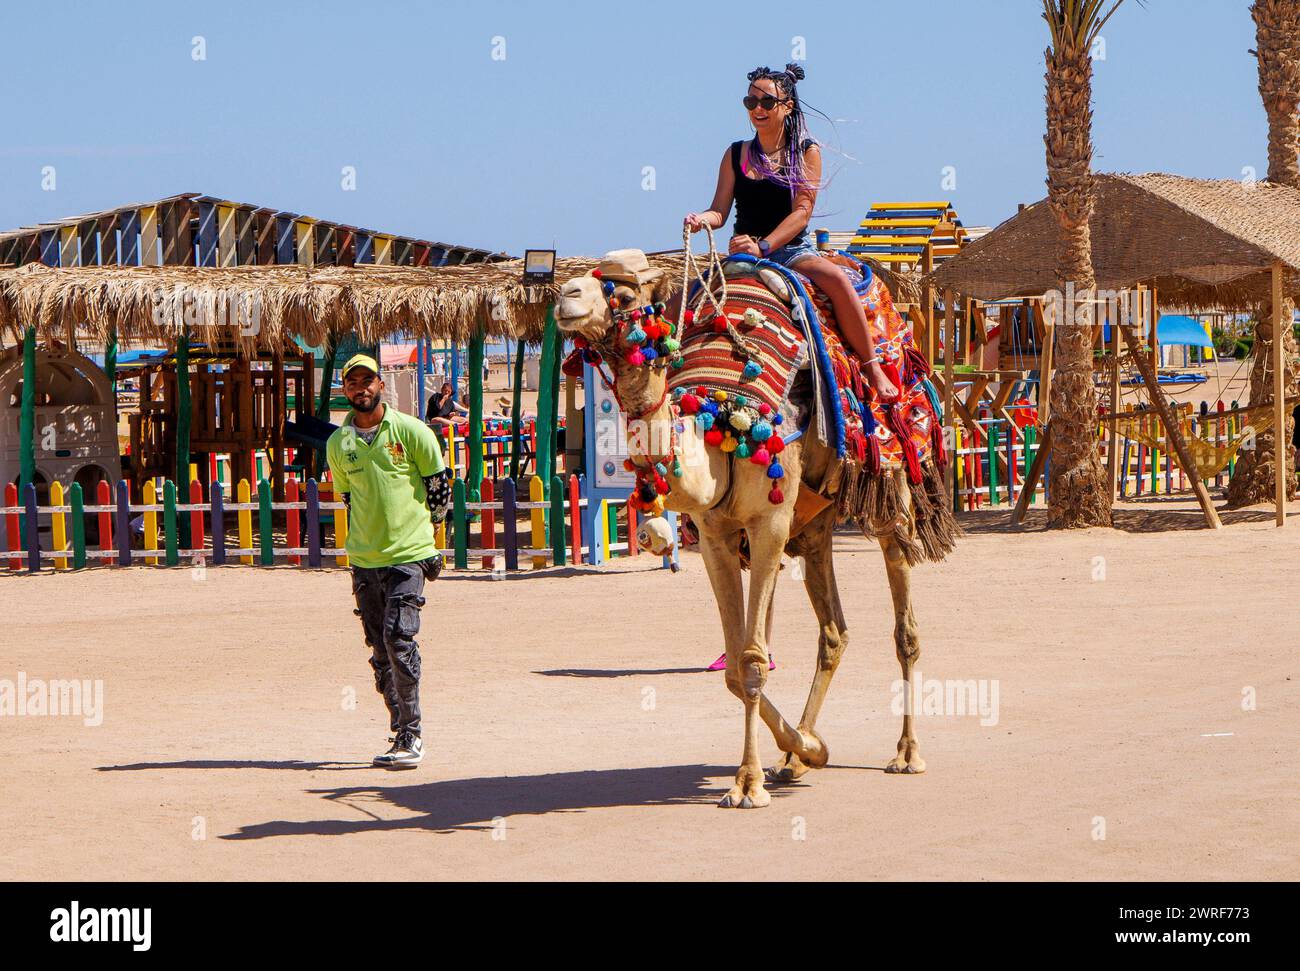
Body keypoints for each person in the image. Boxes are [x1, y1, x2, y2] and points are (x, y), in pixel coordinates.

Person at [683, 62, 898, 402]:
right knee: (682, 300)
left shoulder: (805, 152)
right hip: (742, 252)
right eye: (750, 102)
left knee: (838, 281)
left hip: (790, 252)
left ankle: (872, 366)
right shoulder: (735, 153)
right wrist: (701, 219)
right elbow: (720, 211)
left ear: (787, 106)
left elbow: (802, 213)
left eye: (766, 103)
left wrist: (764, 246)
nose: (758, 110)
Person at [326, 355, 452, 769]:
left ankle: (413, 733)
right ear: (345, 389)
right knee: (379, 649)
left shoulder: (412, 431)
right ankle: (399, 726)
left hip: (409, 554)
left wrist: (433, 542)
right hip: (364, 558)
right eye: (352, 383)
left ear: (381, 384)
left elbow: (438, 489)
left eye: (367, 380)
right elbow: (348, 496)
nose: (360, 388)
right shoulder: (338, 443)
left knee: (400, 639)